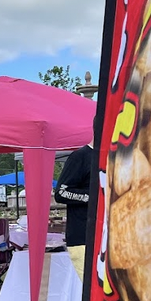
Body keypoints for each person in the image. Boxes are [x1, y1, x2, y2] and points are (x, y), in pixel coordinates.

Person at [55, 113, 99, 281]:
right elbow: (61, 192)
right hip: (82, 237)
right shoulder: (80, 157)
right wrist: (91, 196)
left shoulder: (111, 157)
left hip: (105, 237)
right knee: (93, 289)